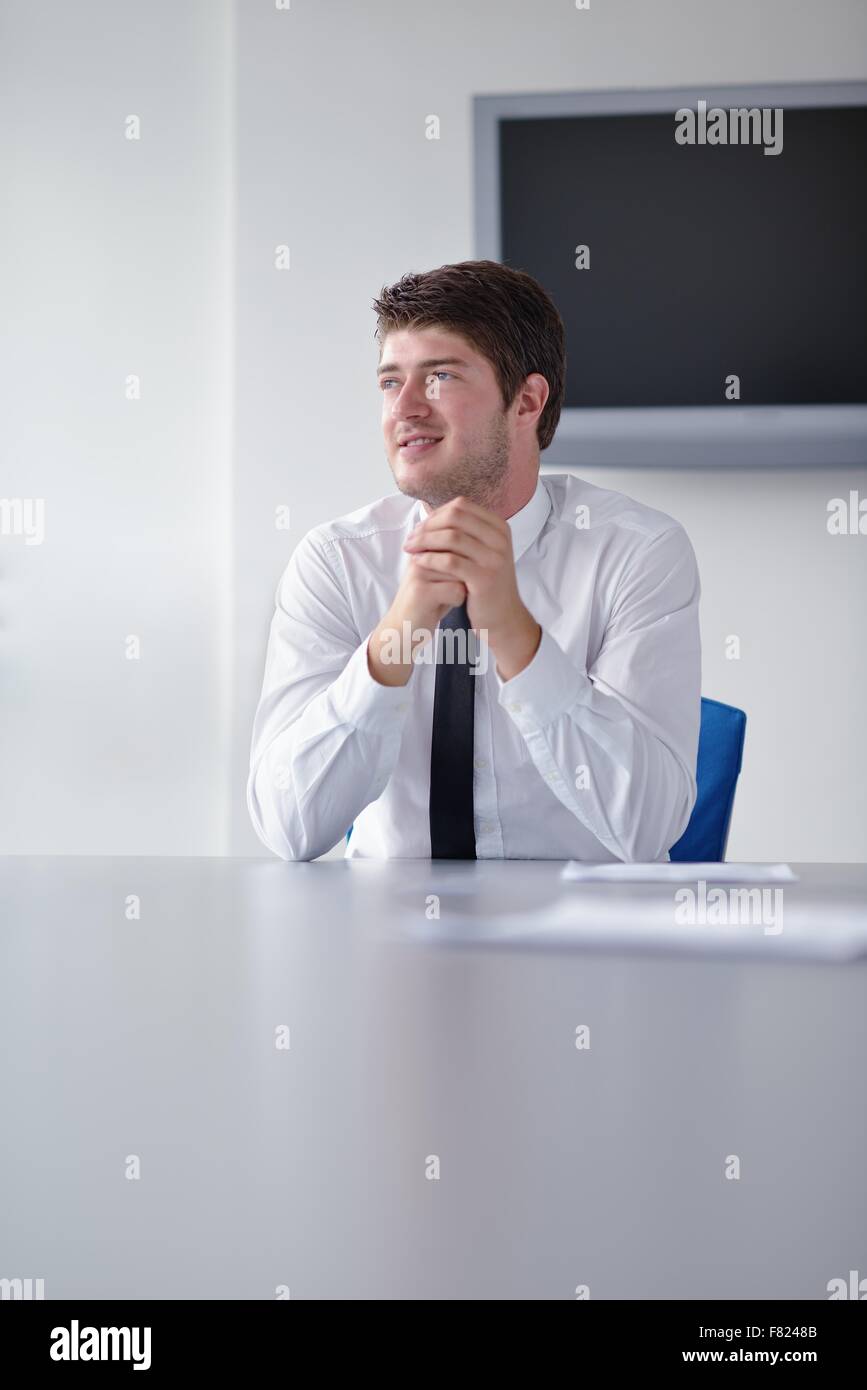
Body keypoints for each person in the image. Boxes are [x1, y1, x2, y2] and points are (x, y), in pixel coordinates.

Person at [247, 259, 701, 861]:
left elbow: (648, 827)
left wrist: (516, 636)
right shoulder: (336, 562)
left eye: (439, 377)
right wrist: (395, 636)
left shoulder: (636, 552)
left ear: (527, 400)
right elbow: (288, 828)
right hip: (390, 941)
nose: (404, 408)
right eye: (390, 381)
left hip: (581, 940)